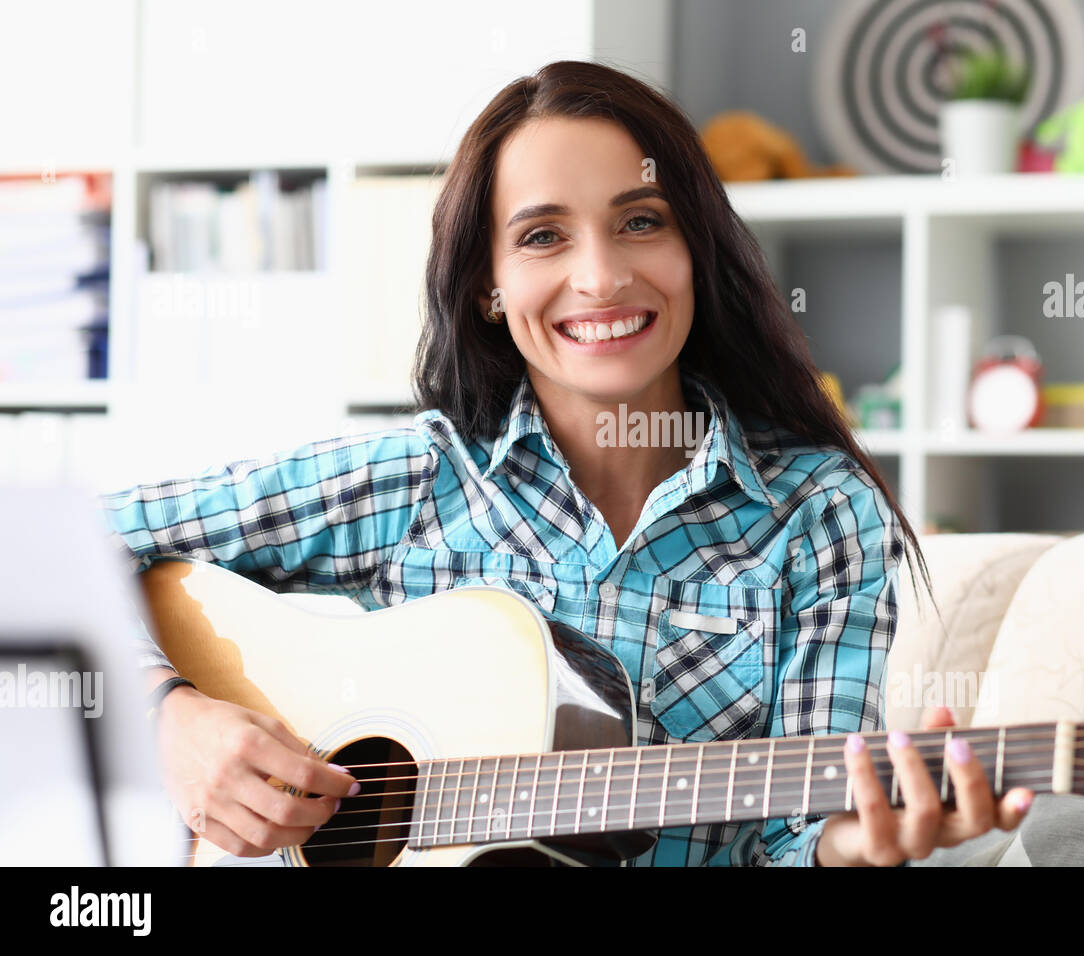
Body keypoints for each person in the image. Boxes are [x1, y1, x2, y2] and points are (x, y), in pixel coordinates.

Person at [100, 60, 1033, 866]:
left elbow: (796, 836)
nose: (600, 277)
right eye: (544, 236)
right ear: (487, 288)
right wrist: (171, 718)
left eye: (641, 222)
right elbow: (68, 548)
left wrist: (861, 842)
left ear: (697, 250)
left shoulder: (820, 515)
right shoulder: (412, 481)